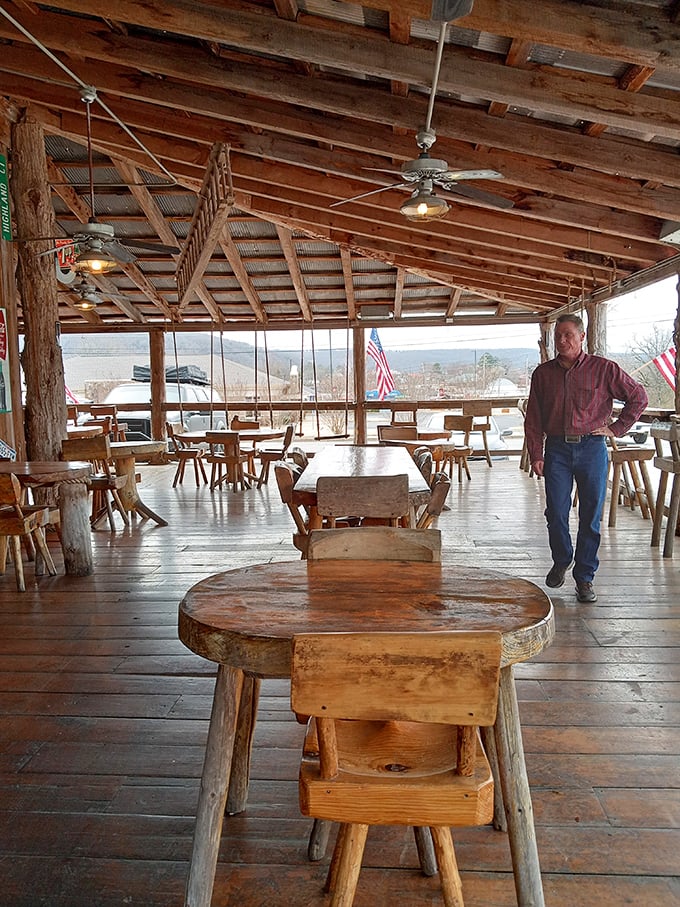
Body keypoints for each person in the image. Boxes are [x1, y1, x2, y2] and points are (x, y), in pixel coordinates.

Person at [525, 313, 648, 603]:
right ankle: (562, 558)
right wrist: (536, 454)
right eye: (558, 335)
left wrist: (616, 428)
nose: (562, 340)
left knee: (590, 515)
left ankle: (585, 578)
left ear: (582, 336)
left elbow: (638, 396)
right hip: (556, 449)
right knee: (555, 511)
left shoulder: (604, 369)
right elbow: (533, 419)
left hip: (592, 448)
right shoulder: (542, 374)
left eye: (568, 334)